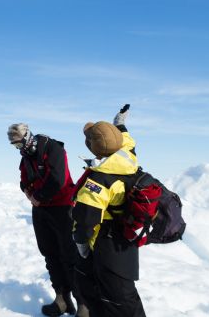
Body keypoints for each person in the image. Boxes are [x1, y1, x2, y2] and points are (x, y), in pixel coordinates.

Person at [7, 123, 87, 317]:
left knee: (69, 255)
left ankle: (83, 303)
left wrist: (38, 196)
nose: (18, 149)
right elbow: (23, 179)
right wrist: (27, 191)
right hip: (41, 210)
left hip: (63, 208)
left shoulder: (54, 149)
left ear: (27, 138)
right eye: (14, 146)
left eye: (18, 144)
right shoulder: (26, 156)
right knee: (50, 254)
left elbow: (58, 180)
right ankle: (62, 299)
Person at [73, 106, 146, 316]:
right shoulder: (127, 158)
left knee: (115, 300)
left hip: (107, 245)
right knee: (126, 297)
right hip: (127, 237)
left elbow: (86, 221)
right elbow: (127, 139)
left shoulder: (98, 180)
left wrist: (81, 244)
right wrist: (119, 123)